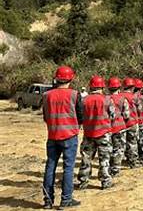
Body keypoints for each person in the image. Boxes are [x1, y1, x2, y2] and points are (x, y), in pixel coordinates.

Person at [42, 66, 83, 209]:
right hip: (69, 136)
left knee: (50, 167)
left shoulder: (46, 95)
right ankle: (66, 200)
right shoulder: (75, 94)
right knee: (68, 168)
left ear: (56, 78)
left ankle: (48, 201)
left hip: (52, 136)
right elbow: (80, 116)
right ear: (71, 78)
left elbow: (46, 117)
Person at [77, 75, 114, 190]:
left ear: (90, 87)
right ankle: (105, 181)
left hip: (88, 134)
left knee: (86, 159)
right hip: (104, 133)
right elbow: (112, 116)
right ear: (102, 87)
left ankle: (83, 182)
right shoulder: (108, 100)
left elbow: (80, 116)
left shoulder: (84, 100)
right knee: (104, 159)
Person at [108, 77, 128, 176]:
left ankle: (108, 168)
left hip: (108, 128)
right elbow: (126, 115)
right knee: (119, 148)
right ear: (119, 88)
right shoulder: (122, 99)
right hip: (120, 127)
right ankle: (115, 169)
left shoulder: (106, 98)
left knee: (110, 148)